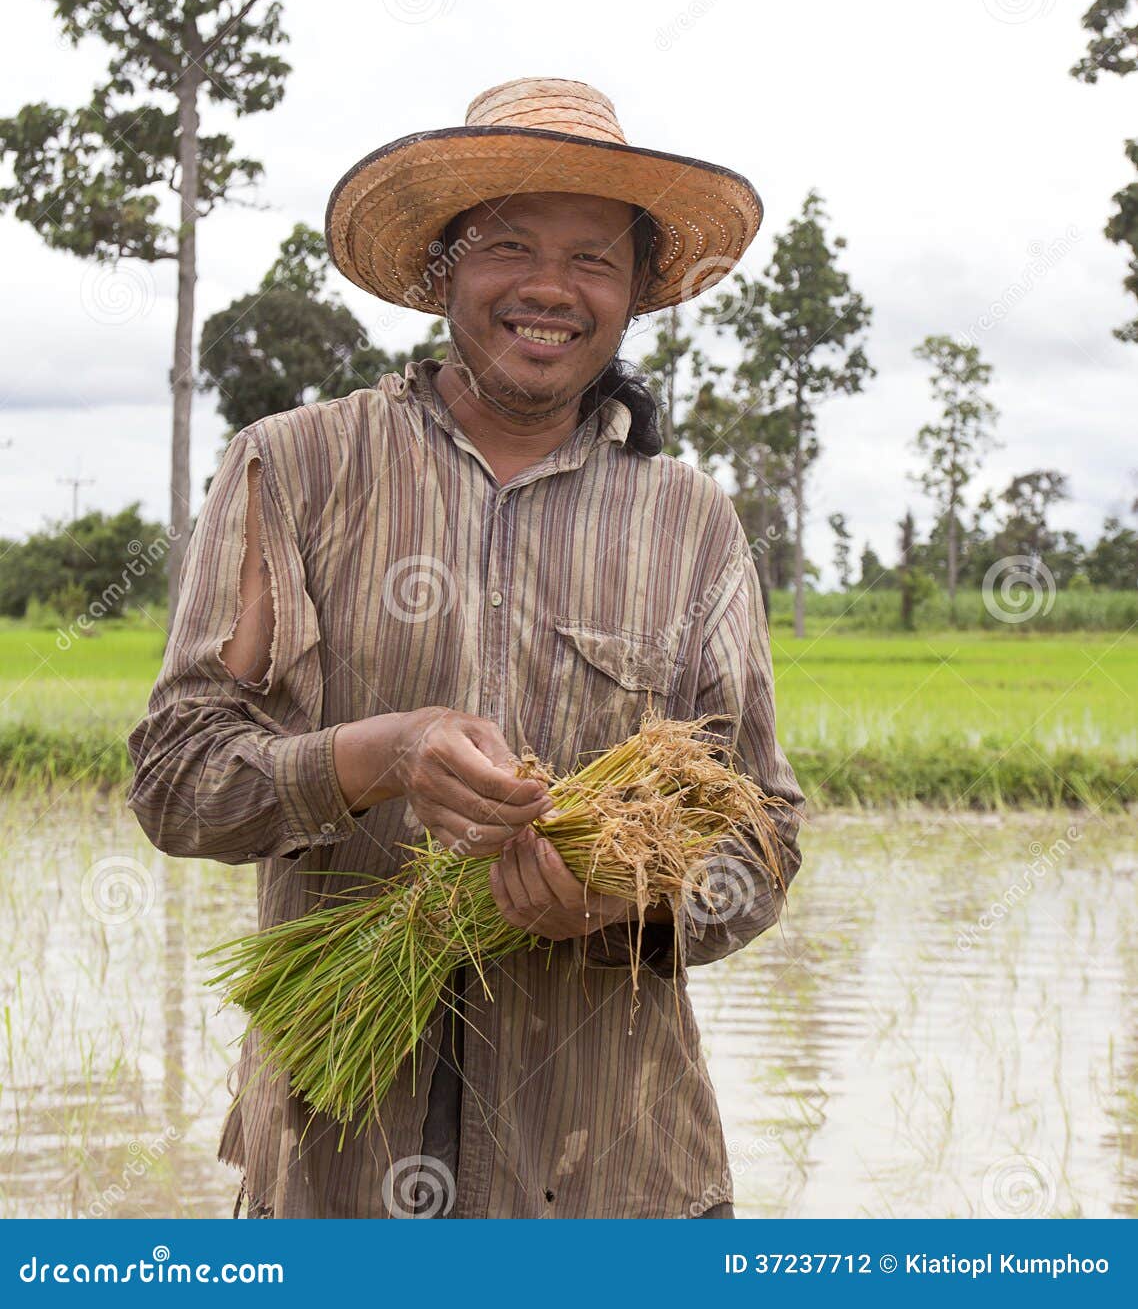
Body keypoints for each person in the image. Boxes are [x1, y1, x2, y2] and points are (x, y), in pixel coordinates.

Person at [126, 75, 806, 1219]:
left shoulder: (685, 522)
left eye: (594, 258)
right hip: (337, 1173)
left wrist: (624, 900)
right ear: (443, 267)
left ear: (635, 290)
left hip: (615, 1185)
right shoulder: (294, 469)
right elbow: (174, 779)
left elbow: (763, 836)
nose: (550, 288)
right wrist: (375, 755)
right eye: (507, 245)